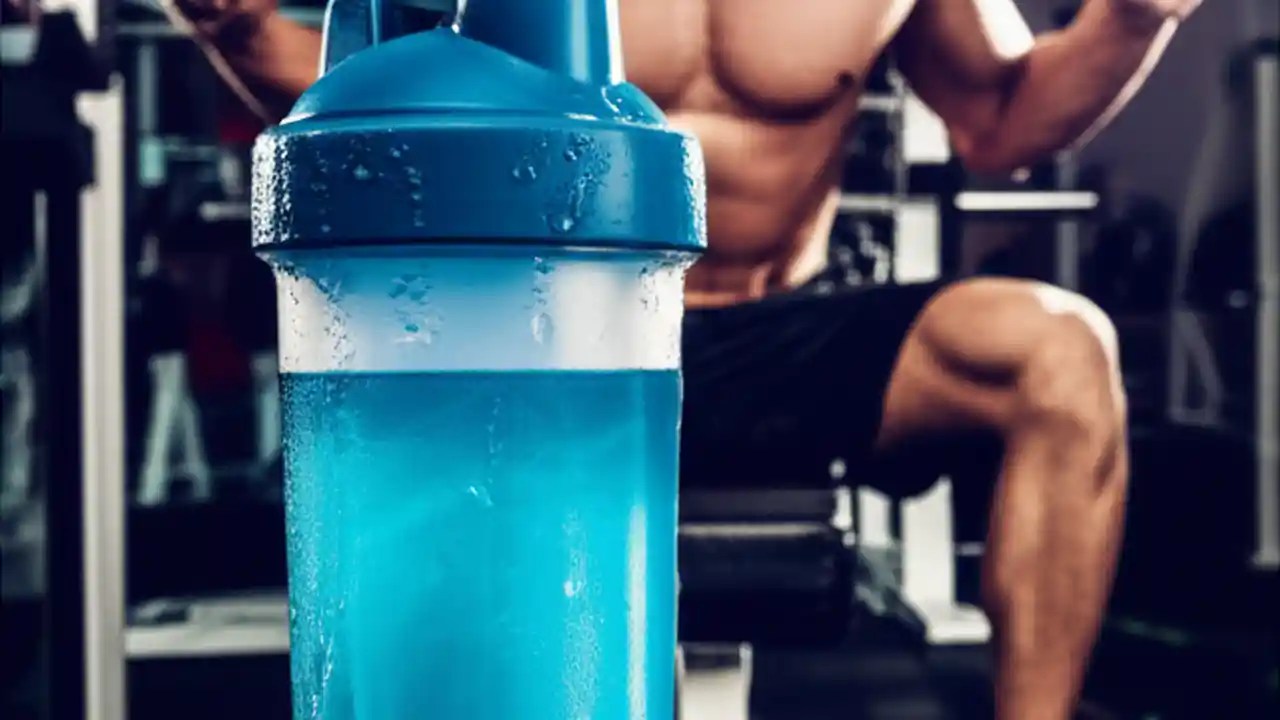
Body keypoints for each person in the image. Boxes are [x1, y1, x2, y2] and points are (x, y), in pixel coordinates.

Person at [166, 1, 1201, 717]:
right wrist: (237, 24)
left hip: (780, 328)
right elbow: (369, 102)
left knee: (1060, 350)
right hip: (557, 328)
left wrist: (1130, 19)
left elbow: (999, 118)